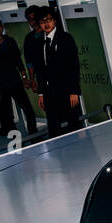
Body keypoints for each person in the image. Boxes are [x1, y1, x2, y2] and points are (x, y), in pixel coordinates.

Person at [0, 17, 37, 137]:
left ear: (2, 27)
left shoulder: (10, 41)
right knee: (7, 115)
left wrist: (24, 77)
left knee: (28, 109)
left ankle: (33, 134)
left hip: (15, 81)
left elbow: (18, 61)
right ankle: (15, 139)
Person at [36, 8, 82, 136]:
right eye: (42, 21)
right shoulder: (39, 42)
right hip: (49, 93)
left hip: (67, 91)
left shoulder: (65, 38)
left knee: (74, 125)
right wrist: (41, 93)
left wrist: (74, 91)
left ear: (55, 20)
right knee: (54, 127)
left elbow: (74, 66)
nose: (46, 24)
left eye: (49, 20)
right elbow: (40, 70)